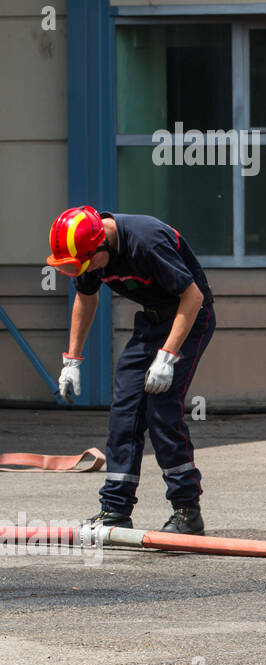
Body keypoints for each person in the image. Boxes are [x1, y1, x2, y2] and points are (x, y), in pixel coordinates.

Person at [48, 206, 216, 534]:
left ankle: (187, 511)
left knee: (161, 411)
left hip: (190, 319)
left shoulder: (146, 241)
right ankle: (115, 509)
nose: (88, 271)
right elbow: (85, 297)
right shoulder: (88, 252)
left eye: (88, 264)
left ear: (103, 244)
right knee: (124, 412)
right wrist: (72, 360)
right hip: (151, 322)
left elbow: (193, 297)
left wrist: (167, 356)